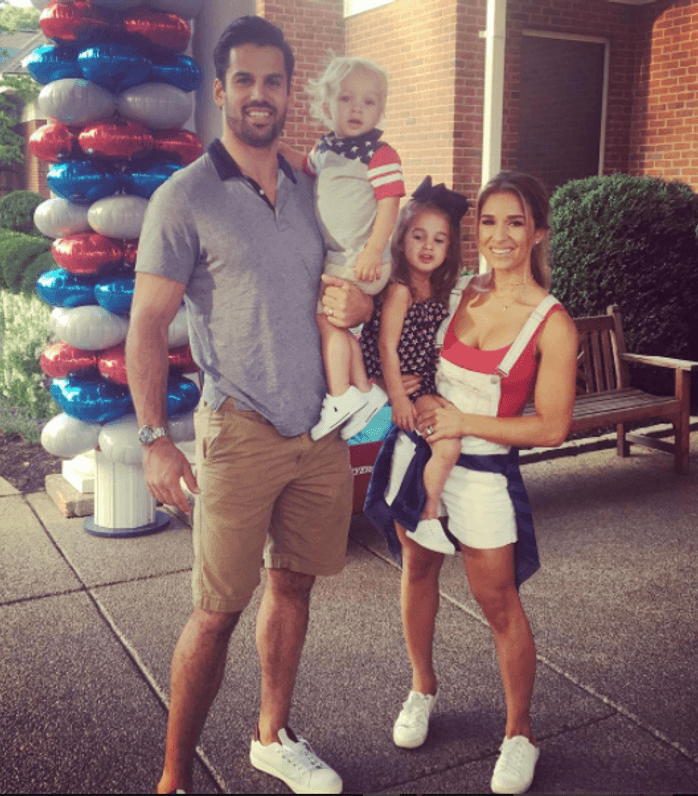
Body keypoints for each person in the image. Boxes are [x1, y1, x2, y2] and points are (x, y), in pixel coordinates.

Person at [125, 16, 375, 795]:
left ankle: (272, 736)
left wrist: (362, 305)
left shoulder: (311, 186)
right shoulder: (185, 197)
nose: (259, 94)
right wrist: (154, 439)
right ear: (220, 88)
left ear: (290, 91)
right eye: (244, 80)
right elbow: (147, 326)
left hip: (318, 431)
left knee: (294, 585)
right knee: (215, 612)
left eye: (273, 81)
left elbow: (348, 279)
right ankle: (174, 778)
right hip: (238, 430)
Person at [364, 171, 579, 795]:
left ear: (538, 232)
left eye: (515, 222)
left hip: (484, 475)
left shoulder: (552, 323)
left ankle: (520, 733)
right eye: (488, 221)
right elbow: (389, 326)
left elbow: (552, 427)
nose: (500, 235)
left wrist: (463, 422)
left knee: (499, 602)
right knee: (417, 570)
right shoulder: (458, 289)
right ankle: (422, 687)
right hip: (421, 457)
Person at [281, 55, 405, 442]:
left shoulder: (380, 154)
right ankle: (365, 392)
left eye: (369, 102)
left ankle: (340, 397)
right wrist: (277, 149)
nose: (357, 109)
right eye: (346, 98)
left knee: (326, 321)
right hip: (340, 258)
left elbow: (390, 204)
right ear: (326, 106)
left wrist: (374, 250)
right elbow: (305, 165)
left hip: (362, 258)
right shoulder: (326, 150)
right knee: (336, 324)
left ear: (380, 110)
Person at [359, 176, 468, 555]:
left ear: (449, 248)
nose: (427, 247)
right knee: (449, 443)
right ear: (402, 238)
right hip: (402, 383)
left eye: (438, 240)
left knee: (454, 426)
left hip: (422, 382)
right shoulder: (400, 288)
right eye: (418, 236)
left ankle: (425, 500)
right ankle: (425, 515)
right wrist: (399, 398)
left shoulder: (435, 287)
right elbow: (386, 347)